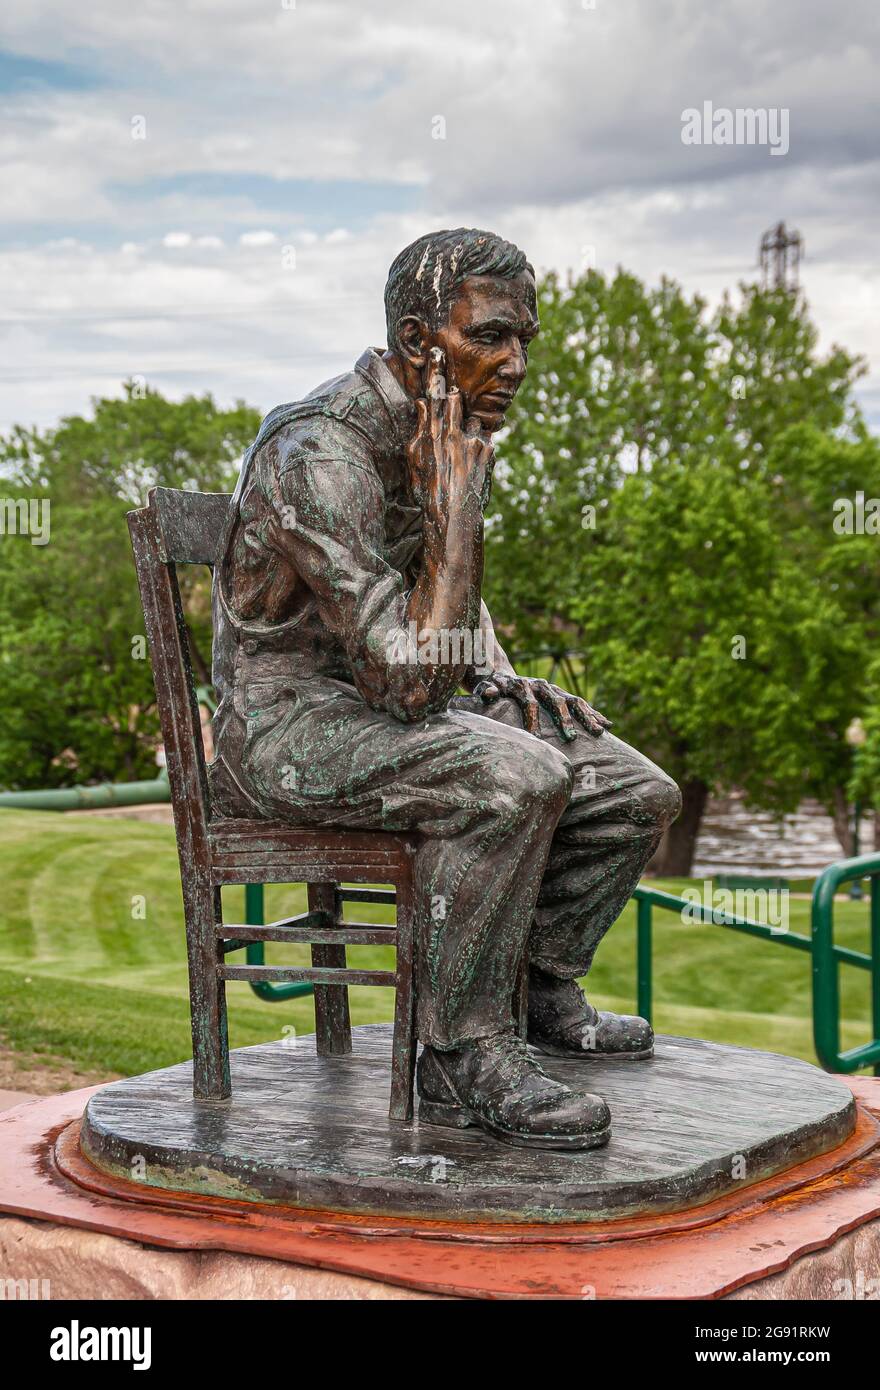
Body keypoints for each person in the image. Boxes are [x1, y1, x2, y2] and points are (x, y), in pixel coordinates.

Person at [210, 228, 681, 1150]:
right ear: (423, 342)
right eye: (492, 338)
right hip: (287, 725)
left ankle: (537, 987)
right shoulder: (321, 453)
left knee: (633, 793)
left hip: (390, 704)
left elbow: (444, 632)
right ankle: (461, 1052)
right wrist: (458, 510)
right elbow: (407, 675)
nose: (515, 363)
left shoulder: (438, 431)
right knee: (511, 778)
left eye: (524, 342)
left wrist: (501, 679)